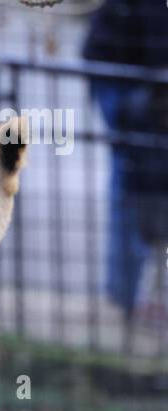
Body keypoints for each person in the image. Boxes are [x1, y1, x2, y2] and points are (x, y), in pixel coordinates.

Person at [83, 0, 168, 316]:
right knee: (134, 183)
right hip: (123, 73)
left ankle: (134, 297)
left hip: (140, 73)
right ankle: (128, 299)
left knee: (144, 187)